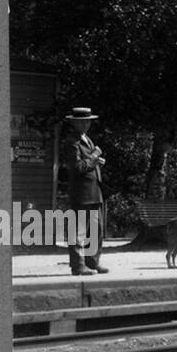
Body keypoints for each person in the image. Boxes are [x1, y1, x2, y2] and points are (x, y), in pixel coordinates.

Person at [64, 107, 108, 276]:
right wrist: (94, 159)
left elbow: (87, 163)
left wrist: (95, 161)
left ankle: (93, 262)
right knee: (78, 230)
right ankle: (78, 265)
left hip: (94, 191)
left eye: (88, 121)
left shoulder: (86, 139)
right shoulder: (72, 141)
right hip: (81, 193)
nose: (85, 124)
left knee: (95, 230)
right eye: (81, 121)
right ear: (74, 122)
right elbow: (77, 167)